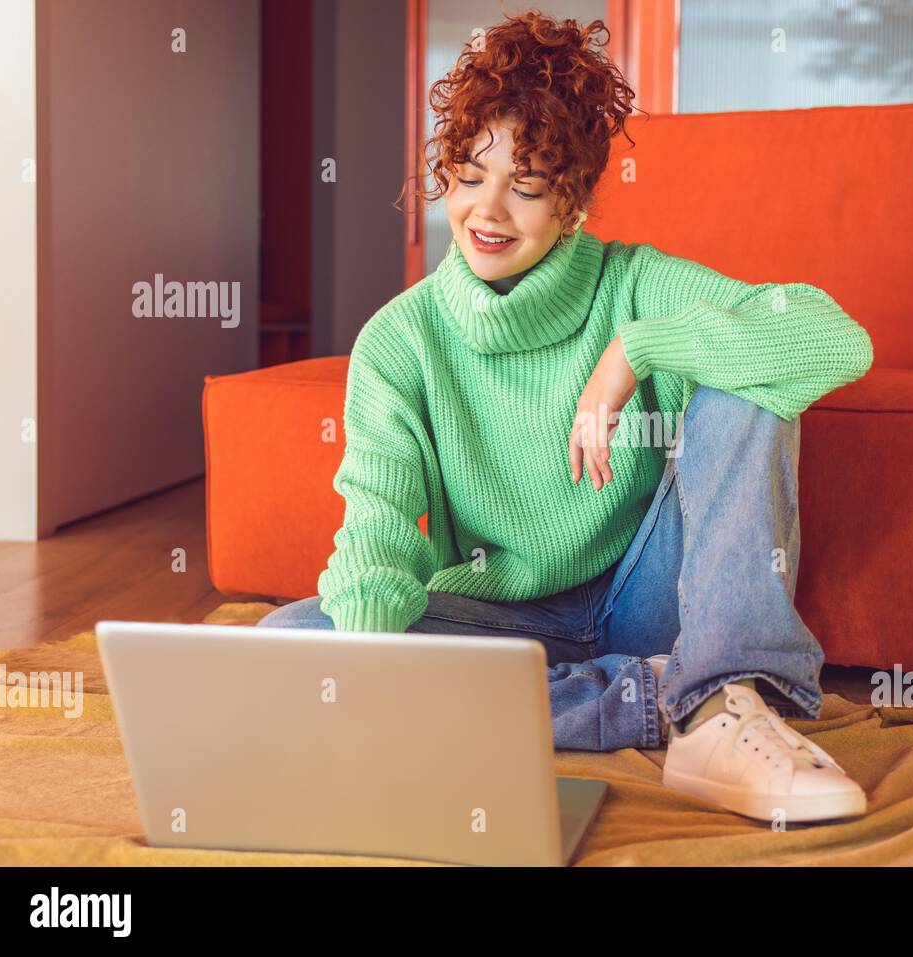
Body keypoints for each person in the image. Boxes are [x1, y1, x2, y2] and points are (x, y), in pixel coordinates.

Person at [259, 11, 874, 823]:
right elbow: (375, 532)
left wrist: (638, 350)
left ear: (574, 204)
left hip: (651, 596)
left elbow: (834, 339)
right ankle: (660, 703)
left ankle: (724, 693)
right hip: (498, 620)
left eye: (526, 187)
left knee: (743, 375)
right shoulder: (399, 341)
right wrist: (367, 671)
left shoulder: (632, 282)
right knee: (292, 642)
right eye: (471, 175)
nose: (488, 211)